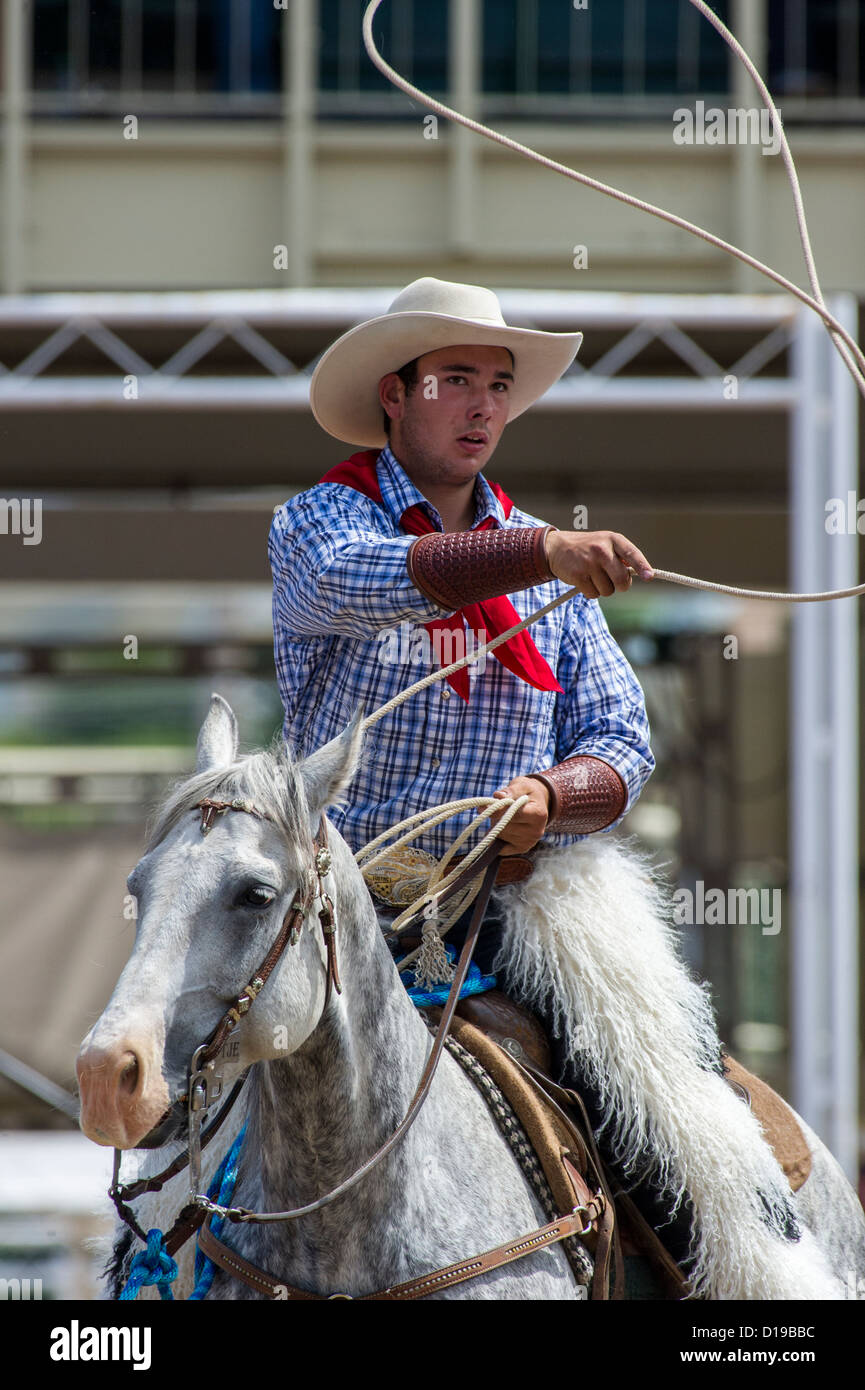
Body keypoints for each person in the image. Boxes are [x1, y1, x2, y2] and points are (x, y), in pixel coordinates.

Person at [268, 277, 839, 1300]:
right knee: (191, 1038)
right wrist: (543, 551)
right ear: (393, 396)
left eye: (496, 384)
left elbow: (620, 738)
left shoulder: (549, 567)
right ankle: (152, 1260)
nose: (483, 403)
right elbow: (360, 583)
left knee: (661, 1095)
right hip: (339, 898)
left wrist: (549, 794)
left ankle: (753, 1287)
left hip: (518, 900)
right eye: (455, 380)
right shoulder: (318, 524)